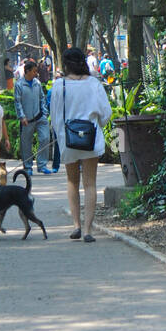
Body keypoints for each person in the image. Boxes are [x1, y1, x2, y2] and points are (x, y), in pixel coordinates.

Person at [49, 47, 112, 241]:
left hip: (68, 140)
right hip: (91, 139)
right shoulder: (94, 83)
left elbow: (55, 116)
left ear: (66, 64)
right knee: (90, 183)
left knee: (72, 181)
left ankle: (76, 224)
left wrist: (61, 136)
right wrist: (97, 124)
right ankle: (87, 230)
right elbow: (106, 113)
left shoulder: (59, 85)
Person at [13, 59, 52, 177]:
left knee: (45, 138)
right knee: (26, 143)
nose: (36, 73)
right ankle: (28, 166)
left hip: (40, 117)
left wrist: (44, 113)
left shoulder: (37, 83)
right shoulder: (19, 84)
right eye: (34, 71)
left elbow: (42, 98)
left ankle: (42, 165)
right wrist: (22, 116)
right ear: (27, 71)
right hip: (26, 119)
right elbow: (17, 102)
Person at [45, 71, 61, 172]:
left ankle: (77, 163)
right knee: (57, 143)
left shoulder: (67, 90)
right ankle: (55, 165)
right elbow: (48, 106)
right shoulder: (51, 92)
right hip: (56, 120)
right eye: (57, 78)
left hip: (67, 120)